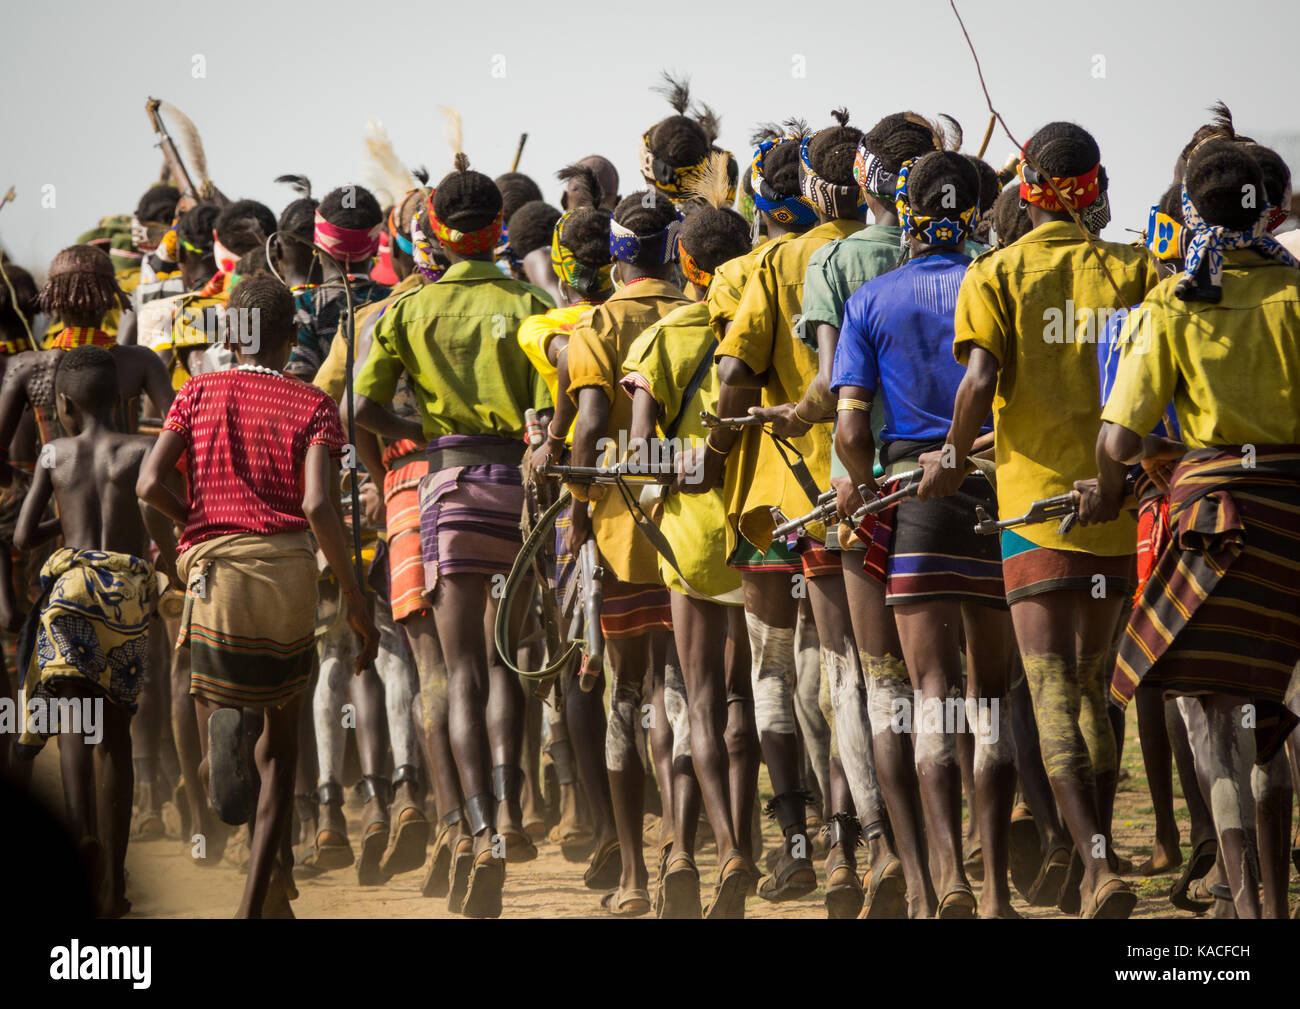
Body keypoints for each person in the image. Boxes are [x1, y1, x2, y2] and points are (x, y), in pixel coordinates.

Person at [919, 120, 1158, 918]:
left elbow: (978, 380)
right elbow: (1150, 384)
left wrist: (953, 455)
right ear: (1094, 188)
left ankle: (1094, 865)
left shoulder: (995, 273)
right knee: (1096, 689)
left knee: (1050, 682)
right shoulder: (1132, 270)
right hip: (1114, 512)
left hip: (1033, 515)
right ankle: (1101, 850)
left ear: (1026, 187)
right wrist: (1119, 477)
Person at [1098, 138, 1300, 919]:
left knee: (1219, 715)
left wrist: (1110, 490)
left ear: (1189, 215)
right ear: (1269, 208)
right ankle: (1278, 907)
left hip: (1217, 529)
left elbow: (1120, 443)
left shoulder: (1174, 302)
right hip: (1293, 521)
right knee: (1274, 710)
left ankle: (1245, 908)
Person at [354, 136, 553, 918]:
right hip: (527, 499)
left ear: (432, 231)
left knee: (459, 673)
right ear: (499, 227)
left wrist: (428, 425)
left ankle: (478, 832)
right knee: (514, 665)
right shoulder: (534, 305)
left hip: (447, 491)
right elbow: (564, 405)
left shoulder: (408, 307)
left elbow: (360, 409)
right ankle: (510, 810)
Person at [137, 275, 379, 918]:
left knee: (223, 702)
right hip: (286, 574)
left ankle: (254, 850)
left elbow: (148, 483)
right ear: (293, 337)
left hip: (214, 571)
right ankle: (255, 904)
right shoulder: (313, 406)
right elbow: (318, 505)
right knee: (281, 746)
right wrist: (354, 595)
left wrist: (192, 523)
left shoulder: (194, 391)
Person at [833, 150, 1016, 917]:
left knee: (931, 692)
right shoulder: (997, 284)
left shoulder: (873, 297)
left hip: (916, 499)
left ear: (906, 212)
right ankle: (999, 889)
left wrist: (867, 479)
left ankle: (947, 879)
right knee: (995, 697)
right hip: (1000, 493)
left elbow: (848, 428)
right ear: (975, 209)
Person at [697, 110, 872, 906]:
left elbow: (734, 379)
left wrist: (708, 458)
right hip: (872, 490)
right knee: (849, 674)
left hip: (774, 504)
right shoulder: (893, 255)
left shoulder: (760, 267)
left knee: (777, 672)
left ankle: (795, 843)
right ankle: (855, 845)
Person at [620, 154, 761, 916]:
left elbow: (642, 455)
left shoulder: (666, 338)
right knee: (752, 699)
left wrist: (691, 461)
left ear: (686, 262)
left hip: (695, 543)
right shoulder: (772, 322)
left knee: (700, 703)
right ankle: (755, 838)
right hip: (768, 530)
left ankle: (723, 850)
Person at [561, 188, 691, 916]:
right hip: (693, 536)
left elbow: (586, 428)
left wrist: (579, 510)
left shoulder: (598, 325)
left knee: (626, 697)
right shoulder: (698, 312)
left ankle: (637, 878)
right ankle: (682, 847)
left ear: (614, 255)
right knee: (684, 694)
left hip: (617, 531)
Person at [11, 346, 174, 918]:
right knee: (116, 739)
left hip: (68, 596)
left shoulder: (53, 454)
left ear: (66, 403)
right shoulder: (142, 449)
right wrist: (173, 565)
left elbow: (22, 538)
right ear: (123, 399)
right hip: (124, 600)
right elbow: (157, 514)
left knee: (72, 727)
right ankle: (112, 884)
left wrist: (65, 513)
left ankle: (80, 836)